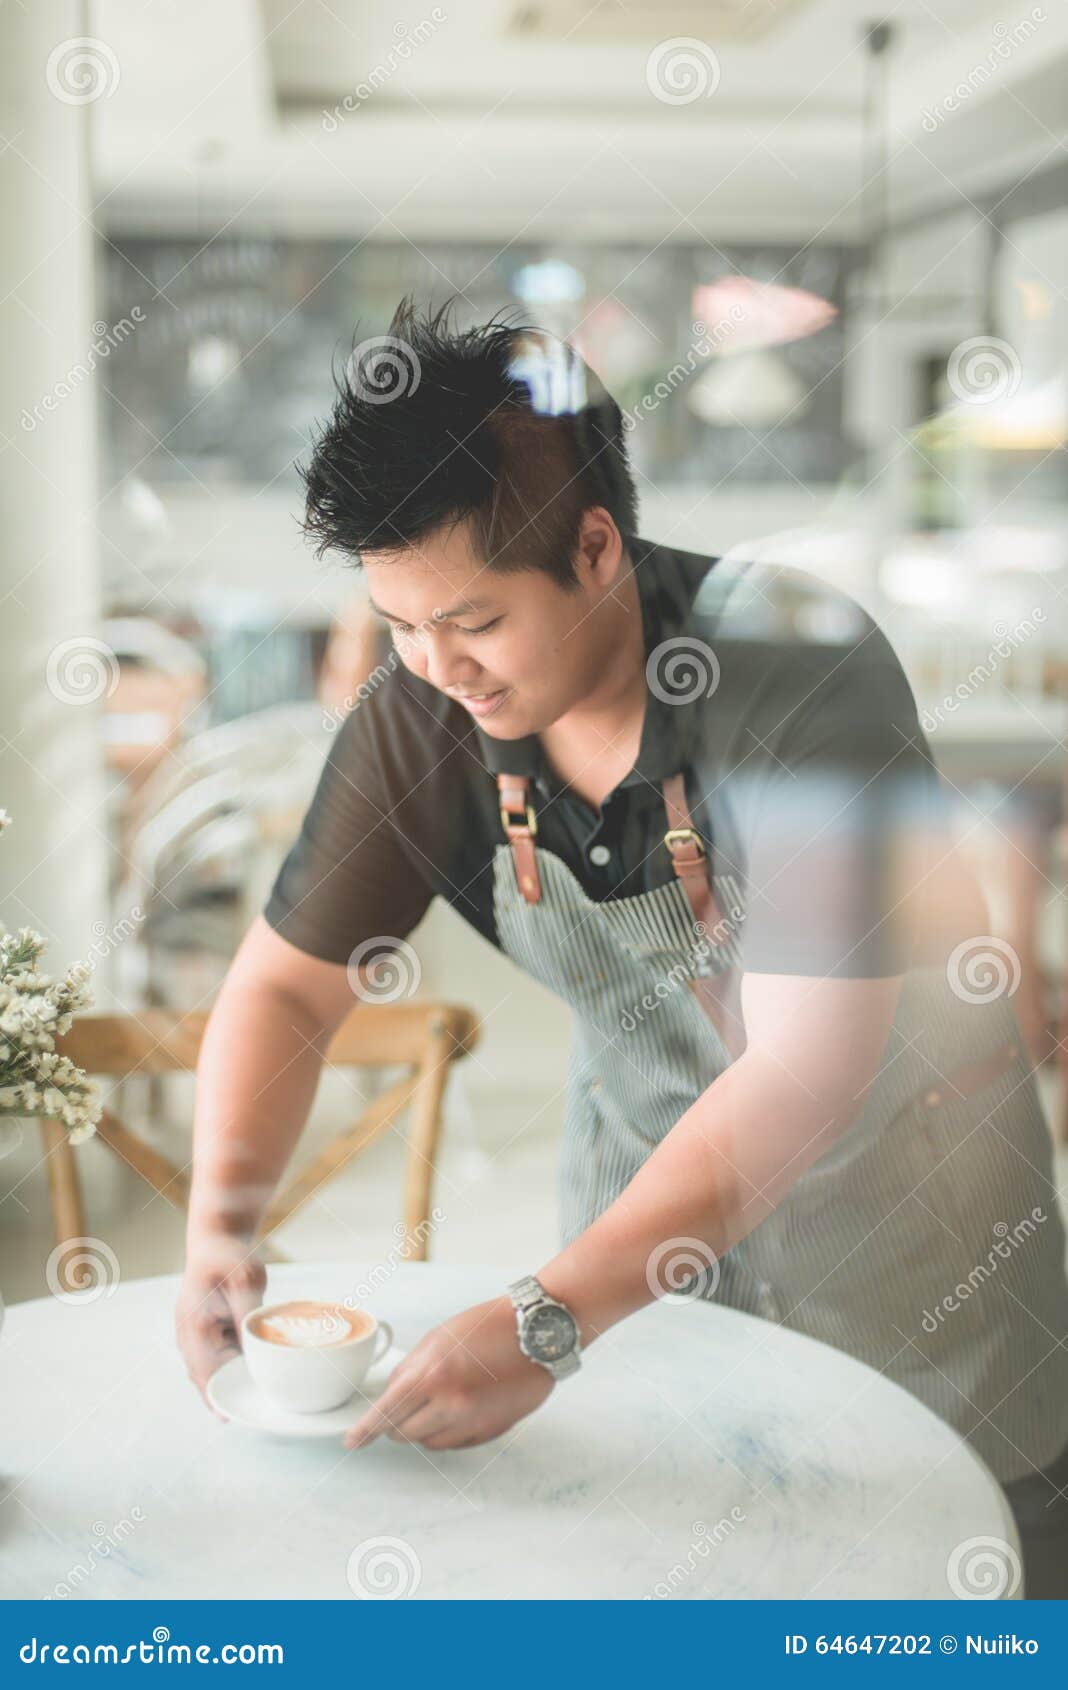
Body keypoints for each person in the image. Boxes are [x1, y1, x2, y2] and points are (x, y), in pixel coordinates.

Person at [176, 298, 1068, 1598]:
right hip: (644, 1285)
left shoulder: (792, 664)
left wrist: (544, 1316)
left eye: (473, 621)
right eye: (401, 624)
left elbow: (805, 1069)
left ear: (596, 548)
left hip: (915, 1269)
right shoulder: (420, 709)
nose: (437, 668)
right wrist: (222, 1214)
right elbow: (286, 986)